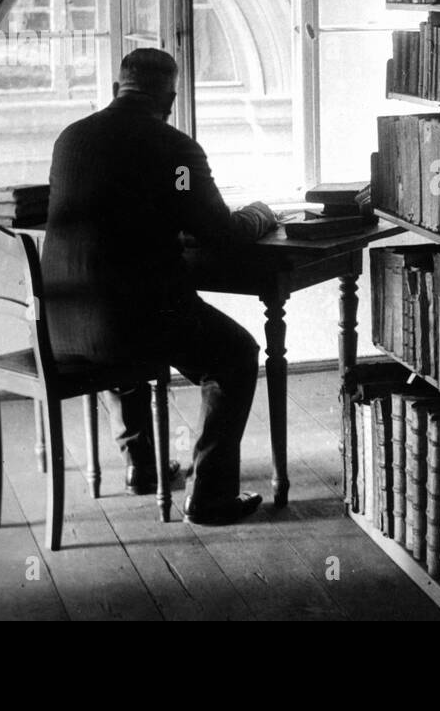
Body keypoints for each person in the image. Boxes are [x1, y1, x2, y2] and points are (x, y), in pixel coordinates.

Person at [41, 47, 277, 525]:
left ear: (115, 90)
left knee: (122, 312)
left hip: (60, 324)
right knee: (234, 355)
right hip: (127, 325)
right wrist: (261, 213)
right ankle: (210, 496)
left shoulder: (71, 139)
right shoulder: (176, 149)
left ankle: (143, 467)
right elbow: (222, 235)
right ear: (170, 98)